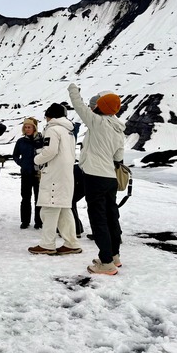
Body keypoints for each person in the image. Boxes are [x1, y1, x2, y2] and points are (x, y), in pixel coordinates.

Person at [68, 84, 125, 275]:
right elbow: (118, 158)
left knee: (98, 218)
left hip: (94, 176)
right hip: (109, 178)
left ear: (100, 106)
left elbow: (79, 106)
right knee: (111, 217)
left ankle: (106, 263)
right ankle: (114, 256)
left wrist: (73, 89)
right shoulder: (118, 129)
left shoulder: (97, 122)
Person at [27, 103, 82, 256]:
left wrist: (37, 159)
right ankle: (71, 243)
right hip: (66, 174)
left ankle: (47, 244)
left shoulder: (53, 129)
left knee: (48, 209)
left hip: (54, 174)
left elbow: (50, 151)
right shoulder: (69, 131)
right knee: (64, 209)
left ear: (50, 116)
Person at [13, 117, 44, 229]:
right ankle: (25, 221)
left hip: (38, 174)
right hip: (26, 173)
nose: (27, 129)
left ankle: (39, 222)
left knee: (39, 198)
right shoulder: (21, 141)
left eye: (29, 127)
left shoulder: (41, 140)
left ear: (34, 128)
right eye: (25, 127)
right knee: (25, 198)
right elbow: (15, 155)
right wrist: (21, 163)